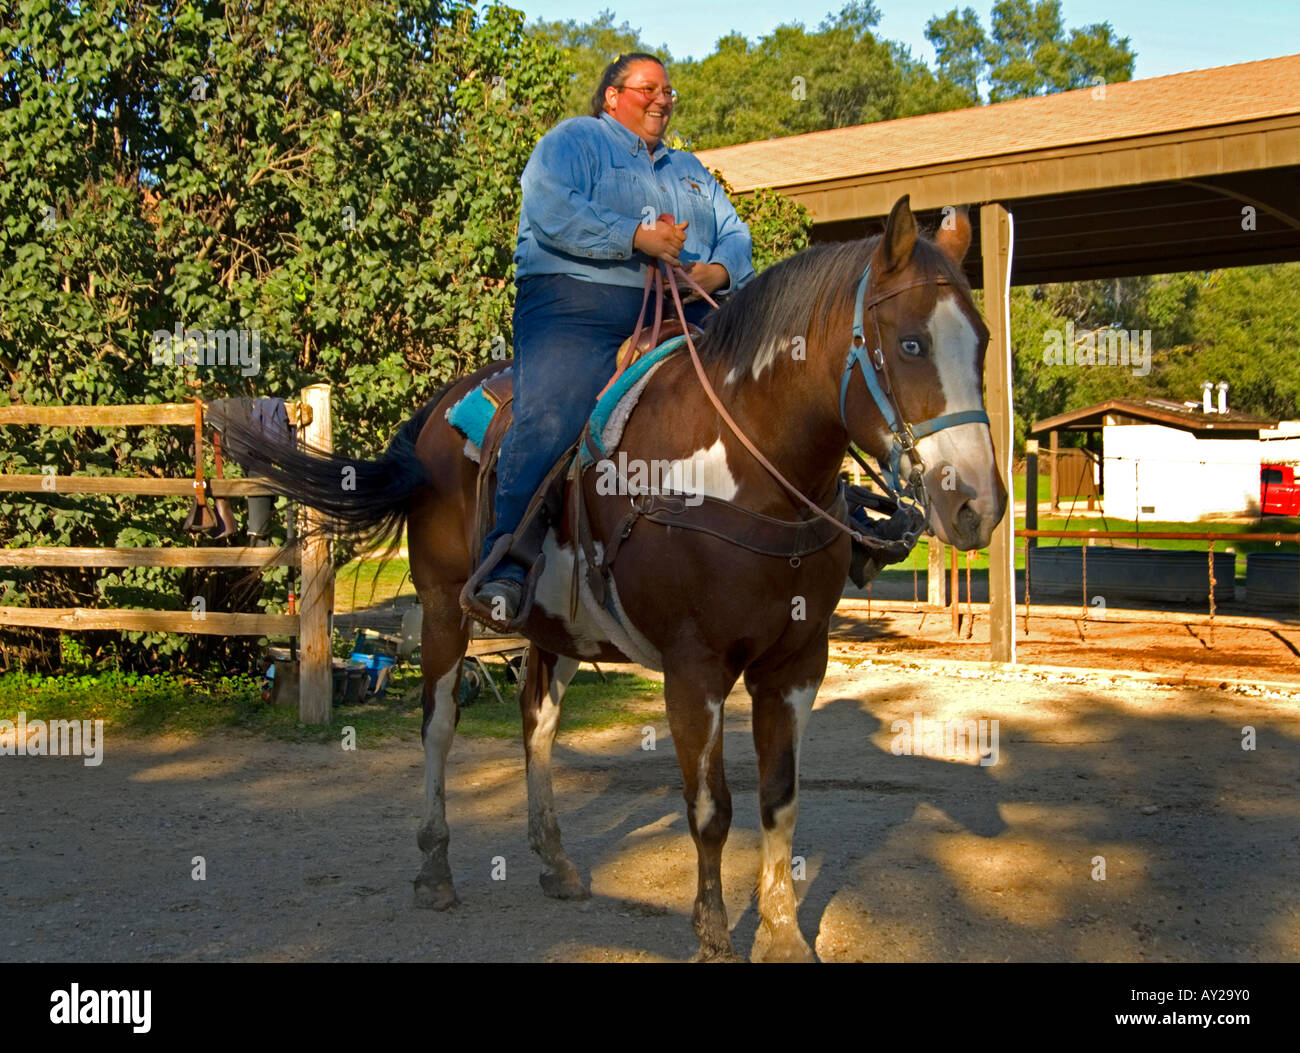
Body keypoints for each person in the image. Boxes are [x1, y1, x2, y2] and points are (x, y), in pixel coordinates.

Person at [474, 52, 756, 620]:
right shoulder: (574, 141)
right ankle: (508, 563)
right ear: (611, 95)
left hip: (688, 304)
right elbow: (552, 207)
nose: (661, 99)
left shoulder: (690, 170)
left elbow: (736, 233)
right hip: (575, 302)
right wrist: (634, 236)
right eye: (647, 88)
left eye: (669, 91)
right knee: (554, 413)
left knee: (762, 385)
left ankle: (834, 525)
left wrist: (716, 272)